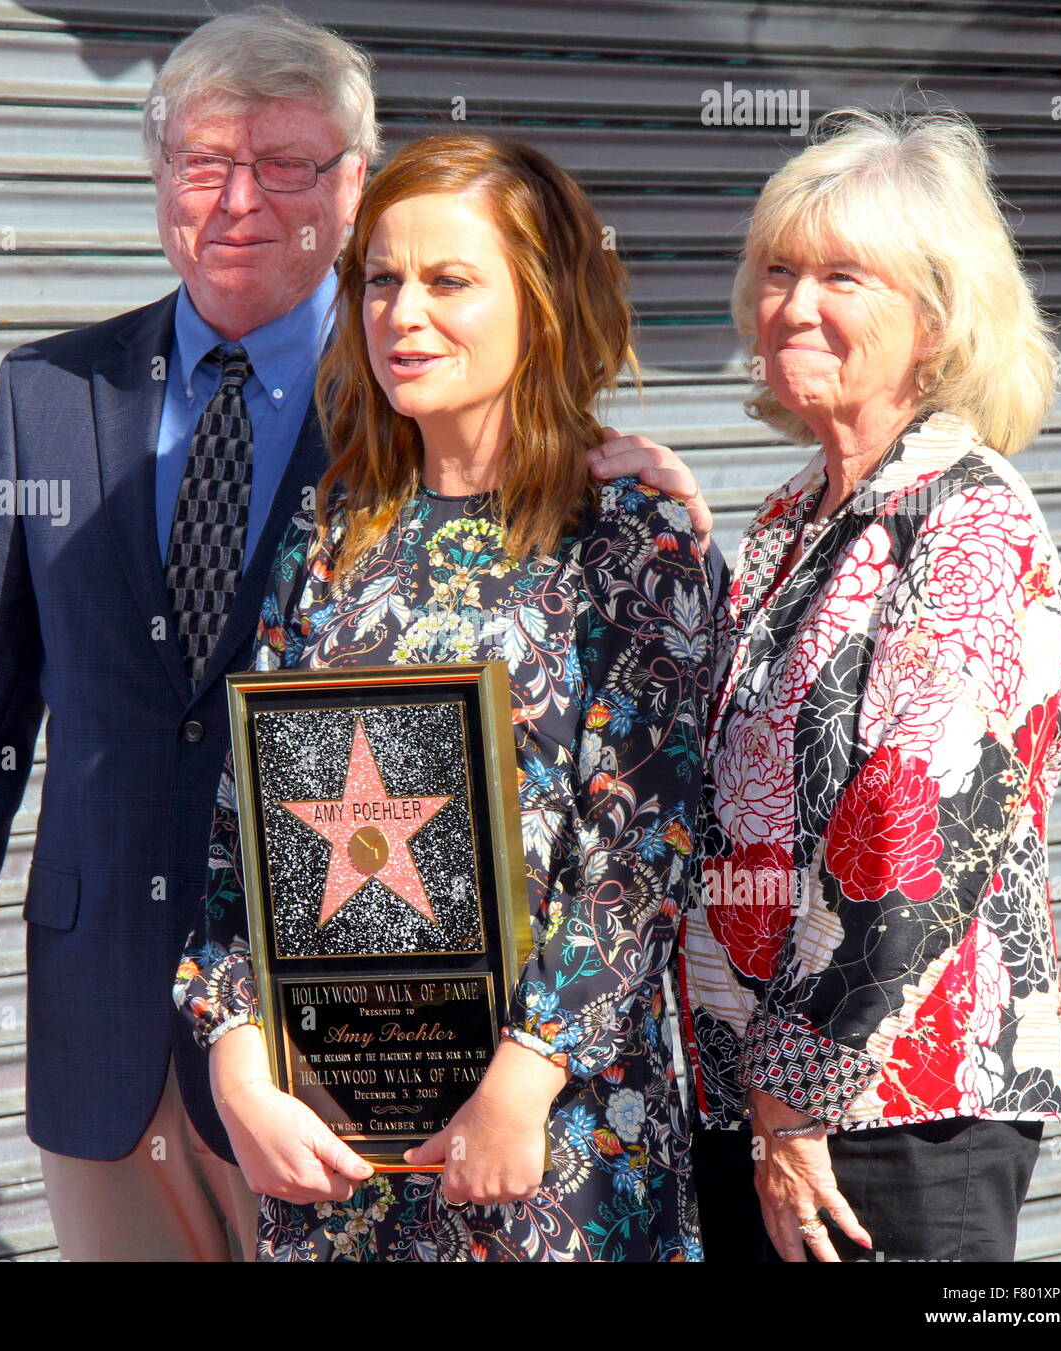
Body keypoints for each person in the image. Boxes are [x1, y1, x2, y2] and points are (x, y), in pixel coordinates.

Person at [0, 8, 708, 1262]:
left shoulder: (427, 429)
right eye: (201, 161)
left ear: (352, 185)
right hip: (131, 1038)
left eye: (286, 164)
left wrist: (631, 483)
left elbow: (636, 817)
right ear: (156, 180)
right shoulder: (56, 399)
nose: (239, 199)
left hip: (444, 1100)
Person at [174, 131, 714, 1262]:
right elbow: (243, 845)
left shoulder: (630, 538)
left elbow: (643, 850)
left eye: (449, 280)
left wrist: (524, 1080)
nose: (402, 315)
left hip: (550, 1144)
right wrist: (235, 1064)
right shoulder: (332, 539)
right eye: (380, 280)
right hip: (332, 1155)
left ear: (544, 300)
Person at [679, 107, 1061, 1264]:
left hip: (893, 1120)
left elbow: (914, 829)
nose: (795, 305)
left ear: (935, 316)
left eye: (842, 275)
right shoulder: (782, 524)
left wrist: (793, 1096)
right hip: (757, 1108)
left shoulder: (968, 519)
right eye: (777, 270)